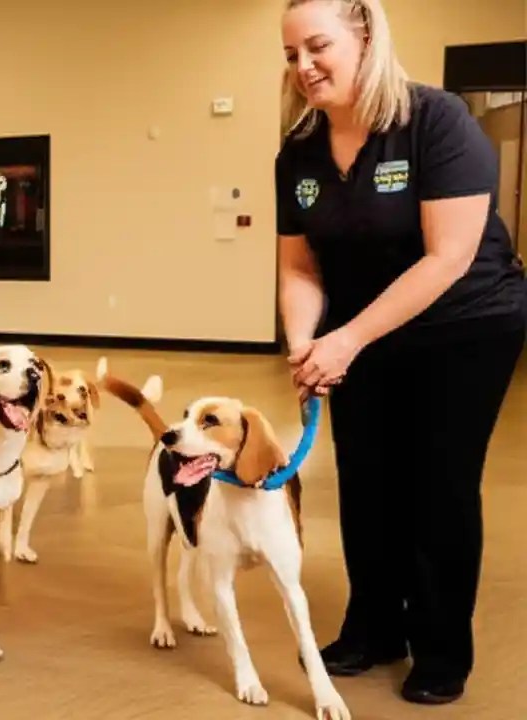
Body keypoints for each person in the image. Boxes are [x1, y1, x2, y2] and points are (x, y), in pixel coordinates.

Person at [274, 0, 527, 707]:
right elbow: (298, 266)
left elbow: (448, 257)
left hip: (465, 326)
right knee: (365, 479)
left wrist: (346, 340)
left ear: (364, 35)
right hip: (362, 330)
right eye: (291, 55)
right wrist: (304, 345)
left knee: (438, 485)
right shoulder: (299, 150)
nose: (303, 66)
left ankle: (442, 648)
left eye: (317, 46)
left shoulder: (436, 121)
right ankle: (375, 628)